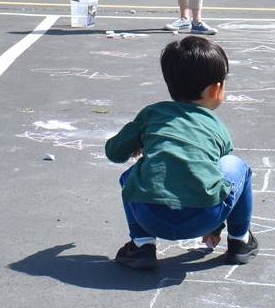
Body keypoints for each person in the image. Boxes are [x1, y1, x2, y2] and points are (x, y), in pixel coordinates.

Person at [105, 35, 257, 271]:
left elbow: (114, 153)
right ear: (216, 89)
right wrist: (214, 228)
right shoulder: (216, 127)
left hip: (150, 216)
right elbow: (219, 181)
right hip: (203, 217)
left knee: (131, 175)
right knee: (237, 167)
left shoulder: (151, 114)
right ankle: (240, 241)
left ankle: (142, 245)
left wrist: (135, 144)